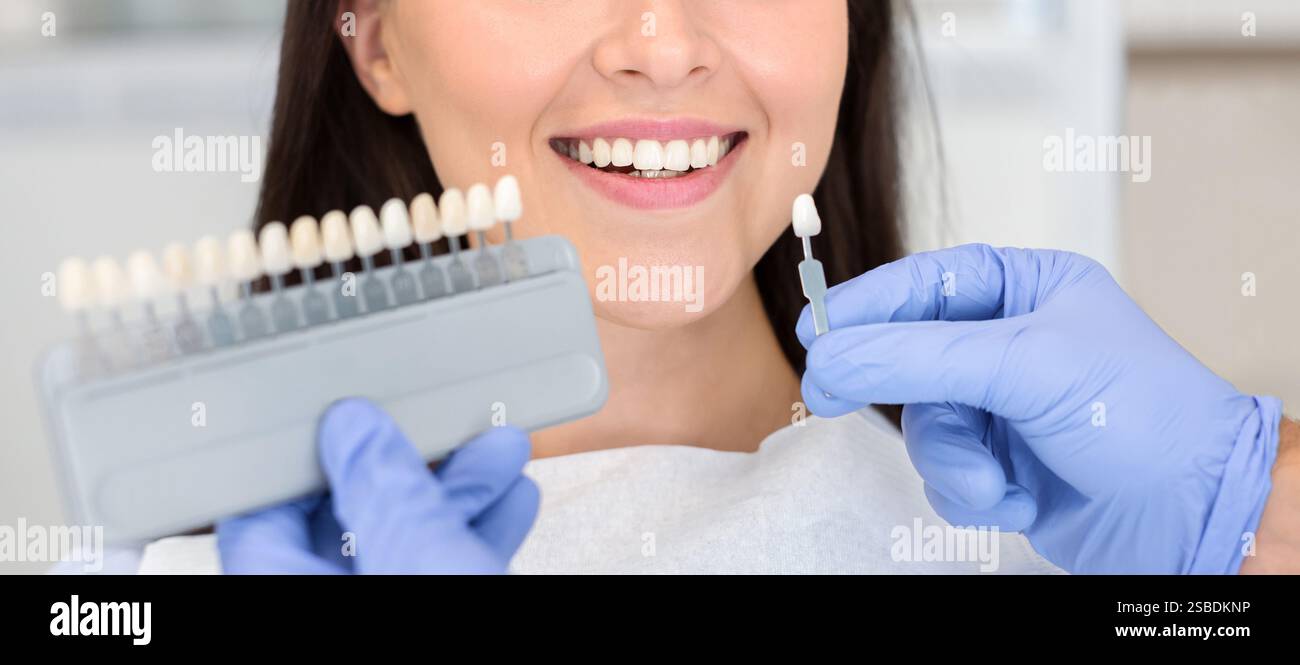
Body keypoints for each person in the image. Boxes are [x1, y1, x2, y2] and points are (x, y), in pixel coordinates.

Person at [206, 0, 1297, 575]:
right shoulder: (152, 577)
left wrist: (1254, 512)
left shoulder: (1066, 537)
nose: (662, 45)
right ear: (375, 36)